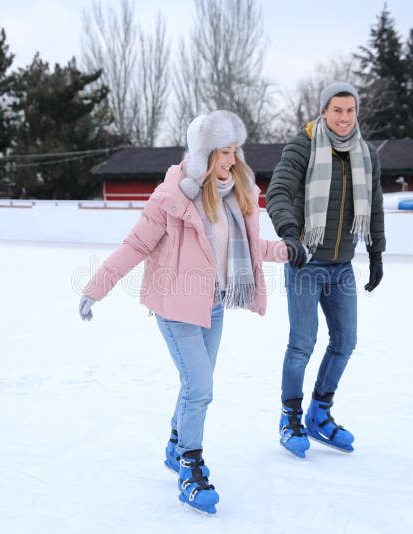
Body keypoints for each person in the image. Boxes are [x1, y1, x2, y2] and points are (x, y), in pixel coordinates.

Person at [78, 110, 288, 514]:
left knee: (195, 385)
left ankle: (175, 446)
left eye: (233, 151)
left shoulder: (237, 195)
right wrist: (96, 287)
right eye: (223, 152)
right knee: (201, 387)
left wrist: (287, 251)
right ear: (204, 153)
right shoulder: (172, 197)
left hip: (214, 304)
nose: (231, 159)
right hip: (175, 307)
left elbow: (249, 247)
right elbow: (136, 244)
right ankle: (190, 465)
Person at [266, 81, 386, 459]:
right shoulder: (302, 146)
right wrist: (289, 233)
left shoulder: (366, 154)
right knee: (302, 344)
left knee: (345, 342)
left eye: (350, 110)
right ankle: (290, 418)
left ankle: (320, 413)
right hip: (306, 261)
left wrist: (377, 251)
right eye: (337, 110)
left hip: (342, 266)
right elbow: (278, 191)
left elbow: (376, 204)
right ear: (324, 111)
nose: (344, 118)